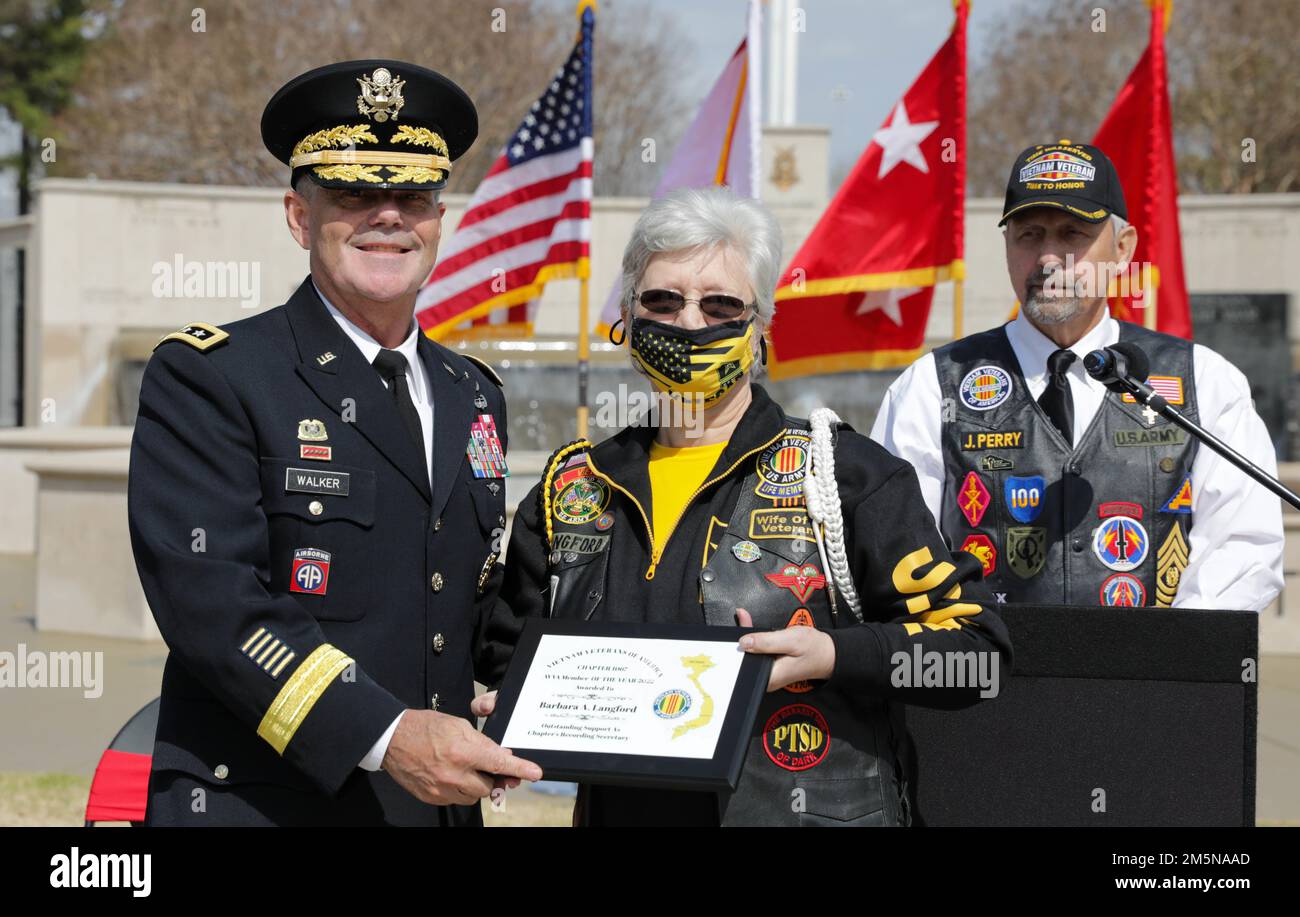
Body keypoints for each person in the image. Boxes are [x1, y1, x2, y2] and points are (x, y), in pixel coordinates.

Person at [476, 186, 1012, 826]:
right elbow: (509, 658)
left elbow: (977, 657)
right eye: (662, 300)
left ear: (760, 327)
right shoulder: (572, 488)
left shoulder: (846, 476)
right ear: (626, 316)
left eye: (721, 303)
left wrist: (834, 656)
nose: (690, 322)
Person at [128, 59, 541, 826]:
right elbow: (215, 608)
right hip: (268, 803)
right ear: (299, 215)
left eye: (413, 195)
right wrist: (385, 735)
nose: (388, 216)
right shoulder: (213, 376)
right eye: (354, 193)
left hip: (436, 809)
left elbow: (469, 608)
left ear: (439, 218)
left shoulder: (472, 391)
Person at [872, 140, 1284, 610]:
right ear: (1007, 245)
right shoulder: (930, 386)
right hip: (985, 677)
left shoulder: (1202, 381)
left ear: (1123, 248)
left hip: (1152, 676)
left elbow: (1243, 544)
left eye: (1072, 234)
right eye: (1029, 235)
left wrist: (1169, 661)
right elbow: (893, 549)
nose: (1049, 258)